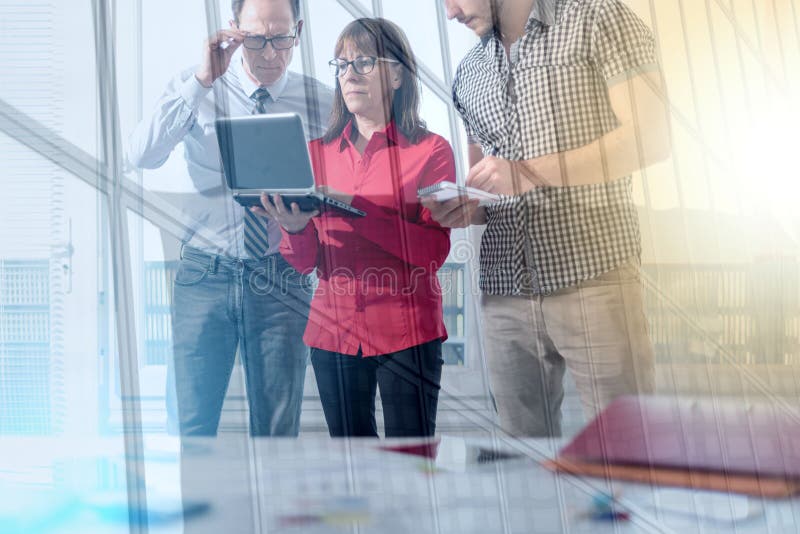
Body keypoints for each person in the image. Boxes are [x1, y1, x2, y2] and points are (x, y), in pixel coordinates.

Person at [424, 0, 671, 436]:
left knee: (626, 453)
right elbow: (488, 184)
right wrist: (465, 207)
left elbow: (650, 138)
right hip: (504, 297)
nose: (451, 13)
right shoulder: (468, 73)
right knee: (524, 468)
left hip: (594, 280)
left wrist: (527, 171)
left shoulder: (597, 18)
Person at [127, 0, 333, 436]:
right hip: (205, 273)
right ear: (233, 31)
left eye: (282, 39)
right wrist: (202, 81)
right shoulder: (195, 89)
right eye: (256, 39)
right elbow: (141, 155)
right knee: (191, 424)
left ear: (297, 31)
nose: (270, 53)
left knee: (277, 431)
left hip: (282, 276)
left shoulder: (321, 102)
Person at [254, 18, 456, 438]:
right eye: (342, 65)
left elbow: (432, 253)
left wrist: (353, 207)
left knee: (411, 464)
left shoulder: (431, 151)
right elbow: (307, 262)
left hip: (408, 334)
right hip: (333, 334)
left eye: (364, 62)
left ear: (397, 74)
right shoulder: (313, 153)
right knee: (351, 467)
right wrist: (293, 229)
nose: (349, 74)